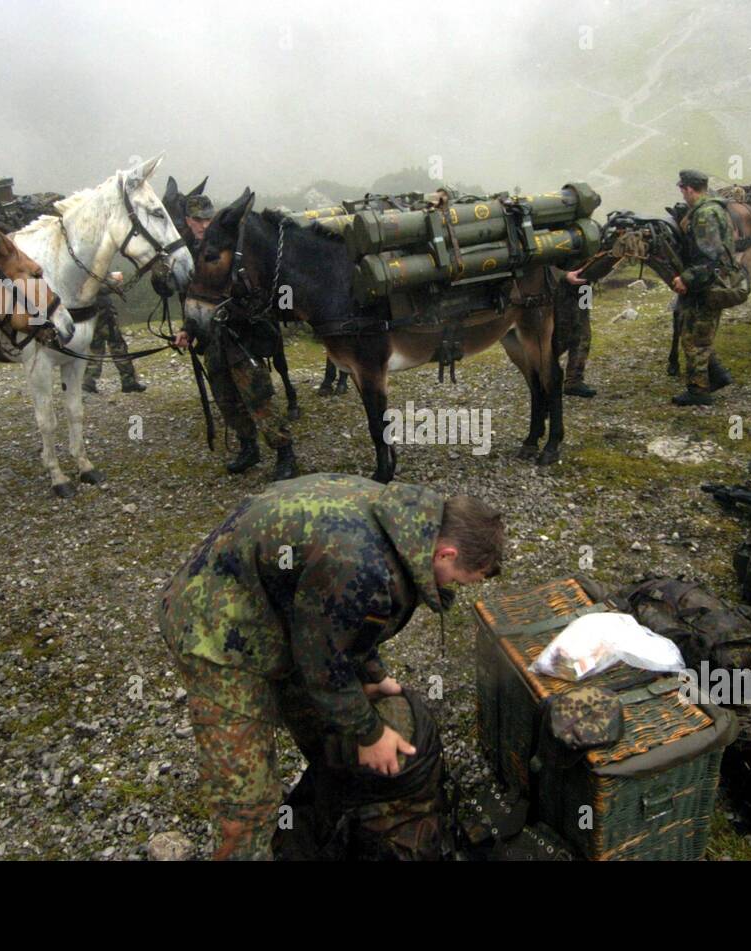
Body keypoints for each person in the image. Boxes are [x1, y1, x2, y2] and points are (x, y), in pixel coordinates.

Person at [157, 473, 505, 860]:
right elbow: (322, 665)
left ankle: (321, 824)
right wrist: (370, 735)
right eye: (462, 579)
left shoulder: (405, 522)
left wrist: (373, 674)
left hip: (278, 612)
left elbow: (338, 618)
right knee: (248, 801)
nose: (457, 587)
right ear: (447, 554)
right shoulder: (359, 560)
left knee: (329, 738)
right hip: (215, 634)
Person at [171, 194, 297, 481]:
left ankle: (285, 453)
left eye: (208, 218)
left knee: (259, 397)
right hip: (212, 343)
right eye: (198, 219)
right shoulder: (188, 255)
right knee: (226, 400)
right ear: (188, 221)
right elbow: (194, 299)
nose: (204, 224)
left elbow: (257, 290)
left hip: (240, 337)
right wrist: (188, 330)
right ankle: (248, 447)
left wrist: (239, 309)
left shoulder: (229, 246)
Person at [670, 169, 736, 406]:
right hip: (712, 284)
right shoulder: (716, 208)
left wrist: (686, 278)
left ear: (689, 189)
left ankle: (699, 391)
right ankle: (717, 376)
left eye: (682, 189)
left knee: (694, 339)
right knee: (701, 334)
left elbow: (710, 258)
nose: (682, 194)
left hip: (705, 286)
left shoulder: (704, 215)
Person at [82, 272, 147, 394]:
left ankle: (88, 383)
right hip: (103, 313)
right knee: (117, 346)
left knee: (96, 347)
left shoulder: (85, 265)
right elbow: (98, 286)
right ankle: (128, 381)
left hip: (93, 313)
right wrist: (114, 281)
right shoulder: (88, 266)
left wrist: (110, 277)